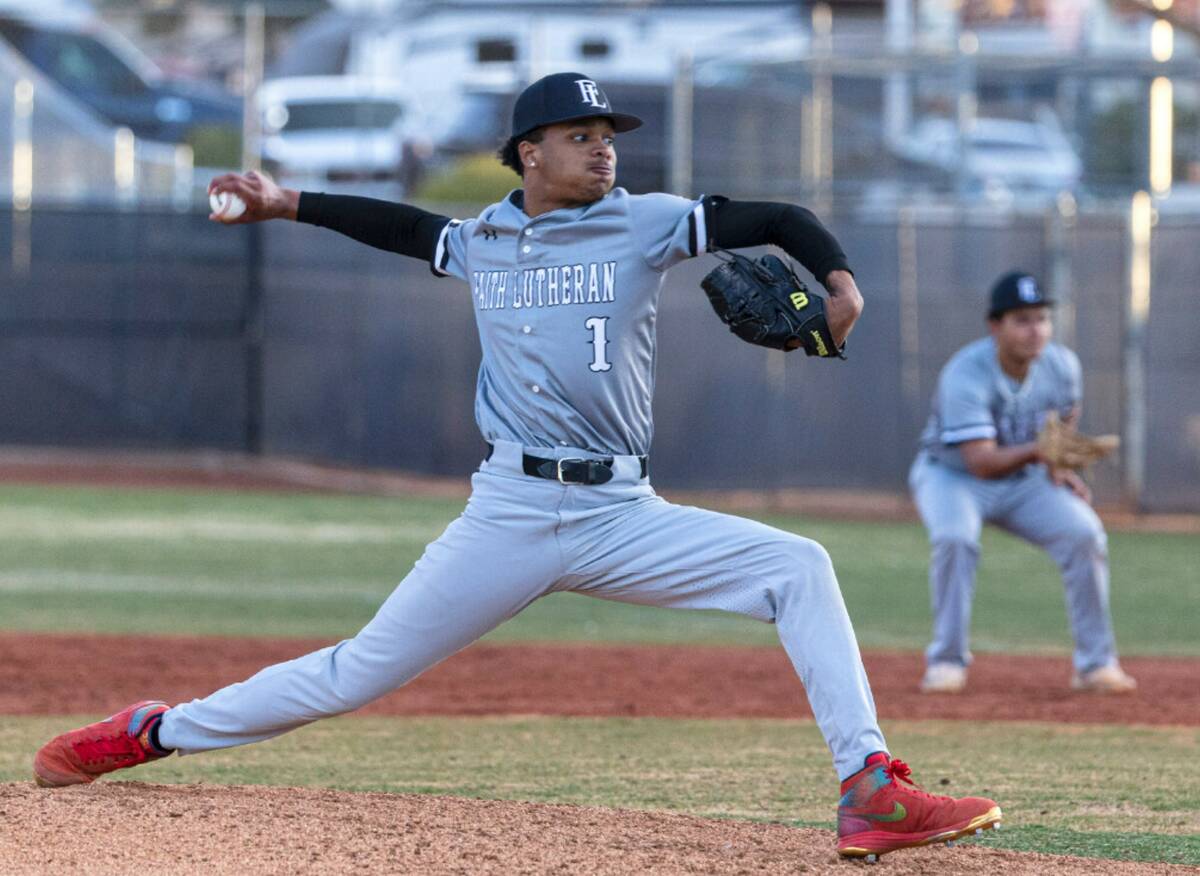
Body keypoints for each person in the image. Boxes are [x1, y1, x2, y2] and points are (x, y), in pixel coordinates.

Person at [33, 72, 1000, 861]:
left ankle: (869, 789)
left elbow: (780, 215)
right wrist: (287, 202)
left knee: (801, 566)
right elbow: (408, 230)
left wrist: (840, 284)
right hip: (511, 509)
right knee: (351, 674)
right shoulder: (486, 238)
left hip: (624, 512)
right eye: (579, 134)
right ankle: (150, 732)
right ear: (529, 153)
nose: (602, 146)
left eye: (607, 131)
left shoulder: (646, 221)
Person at [910, 271, 1137, 695]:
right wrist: (1040, 453)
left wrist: (1057, 466)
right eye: (1022, 320)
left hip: (1024, 480)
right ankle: (946, 662)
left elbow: (1064, 420)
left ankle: (1096, 665)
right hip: (953, 477)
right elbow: (979, 462)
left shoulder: (1062, 364)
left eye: (1041, 318)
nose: (1036, 330)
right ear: (995, 325)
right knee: (956, 538)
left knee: (1085, 533)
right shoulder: (965, 373)